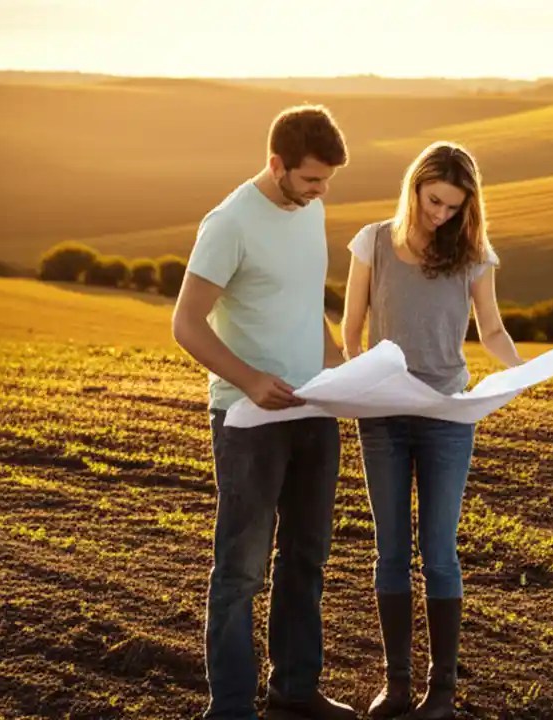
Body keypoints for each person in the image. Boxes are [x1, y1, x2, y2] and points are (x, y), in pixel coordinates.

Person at [172, 104, 356, 720]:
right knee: (242, 570)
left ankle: (295, 693)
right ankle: (229, 709)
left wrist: (345, 371)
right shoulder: (228, 223)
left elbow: (306, 305)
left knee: (306, 556)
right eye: (309, 179)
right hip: (248, 420)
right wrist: (249, 381)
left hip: (314, 410)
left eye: (327, 181)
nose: (320, 191)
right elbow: (186, 323)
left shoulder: (313, 207)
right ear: (276, 164)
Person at [341, 141, 524, 719]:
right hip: (383, 415)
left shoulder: (471, 254)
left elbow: (490, 329)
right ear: (414, 187)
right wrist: (360, 383)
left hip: (447, 416)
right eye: (434, 200)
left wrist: (521, 372)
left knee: (438, 553)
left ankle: (439, 693)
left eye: (453, 206)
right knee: (390, 552)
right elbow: (352, 329)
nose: (441, 214)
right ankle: (397, 687)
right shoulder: (372, 241)